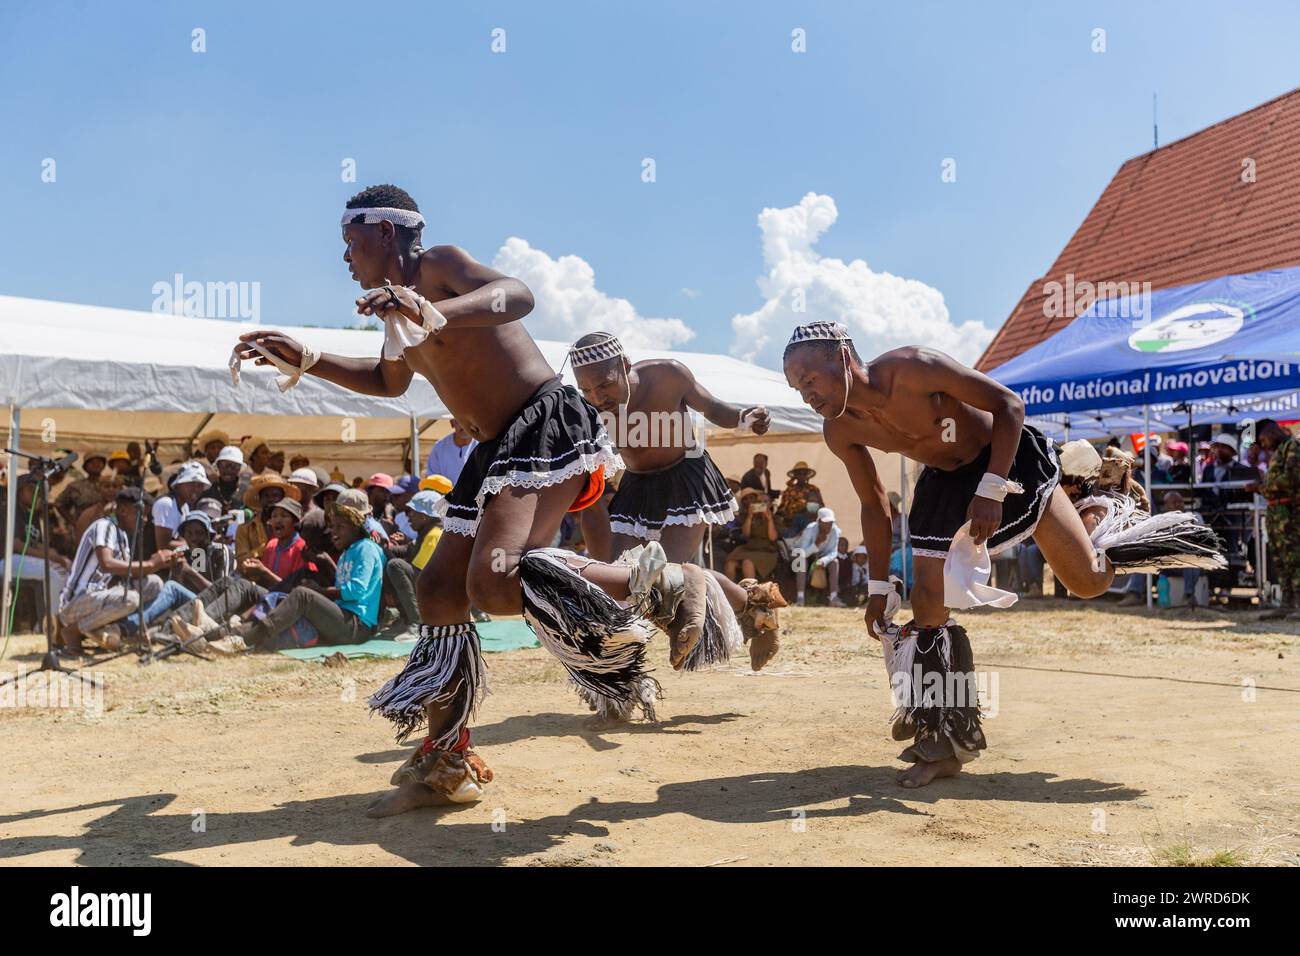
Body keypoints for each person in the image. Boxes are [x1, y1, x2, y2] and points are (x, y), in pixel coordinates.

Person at [231, 183, 727, 814]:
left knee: (494, 581)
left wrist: (434, 307)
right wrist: (307, 356)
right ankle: (447, 763)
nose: (345, 257)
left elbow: (519, 295)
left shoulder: (438, 266)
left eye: (350, 242)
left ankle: (666, 584)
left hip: (543, 425)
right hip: (494, 451)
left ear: (386, 233)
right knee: (438, 588)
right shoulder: (393, 313)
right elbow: (388, 380)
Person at [783, 320, 1220, 789]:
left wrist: (993, 487)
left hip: (1005, 459)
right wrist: (876, 587)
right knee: (928, 603)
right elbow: (873, 505)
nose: (806, 394)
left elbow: (1008, 404)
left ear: (843, 358)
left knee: (1088, 581)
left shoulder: (913, 368)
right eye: (795, 387)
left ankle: (1104, 505)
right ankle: (947, 735)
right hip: (943, 484)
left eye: (809, 380)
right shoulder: (839, 429)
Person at [57, 487, 189, 652]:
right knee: (130, 599)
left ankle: (120, 629)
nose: (146, 520)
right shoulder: (104, 526)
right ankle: (73, 631)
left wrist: (163, 562)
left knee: (154, 583)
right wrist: (151, 564)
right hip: (77, 601)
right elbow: (107, 564)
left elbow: (130, 575)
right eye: (143, 514)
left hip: (98, 598)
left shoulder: (123, 535)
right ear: (124, 511)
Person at [1248, 419, 1300, 619]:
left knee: (1294, 559)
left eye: (1263, 440)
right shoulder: (1279, 451)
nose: (1263, 446)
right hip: (1275, 511)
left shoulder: (1292, 446)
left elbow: (1292, 478)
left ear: (1272, 431)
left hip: (1289, 512)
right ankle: (1287, 604)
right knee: (1280, 559)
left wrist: (1260, 488)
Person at [382, 489, 444, 637]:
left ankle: (418, 623)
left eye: (411, 512)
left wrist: (392, 558)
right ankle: (406, 619)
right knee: (390, 560)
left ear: (424, 516)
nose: (408, 516)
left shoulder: (434, 535)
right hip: (431, 592)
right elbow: (408, 549)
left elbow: (419, 574)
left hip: (438, 595)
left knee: (395, 566)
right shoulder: (426, 532)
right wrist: (386, 548)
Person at [151, 461, 210, 553]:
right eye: (191, 484)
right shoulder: (166, 504)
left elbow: (182, 538)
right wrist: (197, 546)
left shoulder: (185, 507)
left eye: (199, 485)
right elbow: (163, 546)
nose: (196, 489)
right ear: (178, 485)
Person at [723, 488, 780, 582]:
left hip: (767, 549)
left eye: (765, 502)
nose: (762, 504)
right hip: (750, 547)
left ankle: (750, 594)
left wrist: (769, 520)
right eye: (759, 502)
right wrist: (750, 516)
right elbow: (746, 534)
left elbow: (772, 537)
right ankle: (729, 593)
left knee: (747, 563)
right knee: (730, 562)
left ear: (770, 504)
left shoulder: (775, 518)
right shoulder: (752, 517)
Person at [235, 473, 296, 561]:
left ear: (283, 499)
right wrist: (265, 549)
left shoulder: (292, 525)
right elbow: (241, 561)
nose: (270, 499)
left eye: (275, 496)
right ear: (259, 498)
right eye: (266, 496)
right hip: (254, 574)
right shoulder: (245, 527)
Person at [791, 506, 843, 606]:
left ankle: (833, 597)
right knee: (801, 561)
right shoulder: (810, 529)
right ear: (819, 521)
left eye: (830, 523)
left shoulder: (835, 531)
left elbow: (833, 552)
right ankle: (800, 598)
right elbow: (803, 553)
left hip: (821, 557)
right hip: (800, 553)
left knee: (835, 562)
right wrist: (816, 543)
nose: (828, 526)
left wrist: (824, 560)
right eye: (825, 523)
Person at [54, 451, 109, 528]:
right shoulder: (75, 486)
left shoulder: (110, 484)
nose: (96, 464)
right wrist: (73, 522)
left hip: (106, 526)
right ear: (85, 467)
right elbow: (59, 504)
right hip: (83, 528)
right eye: (91, 462)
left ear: (103, 465)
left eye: (99, 462)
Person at [424, 418, 477, 485]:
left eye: (467, 421)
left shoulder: (482, 447)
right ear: (452, 423)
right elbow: (432, 478)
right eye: (459, 421)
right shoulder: (439, 448)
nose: (463, 425)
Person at [774, 461, 823, 530]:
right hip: (790, 523)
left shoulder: (813, 489)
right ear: (795, 476)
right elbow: (782, 507)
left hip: (808, 523)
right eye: (799, 474)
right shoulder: (789, 490)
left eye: (804, 474)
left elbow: (821, 506)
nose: (802, 476)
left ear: (807, 476)